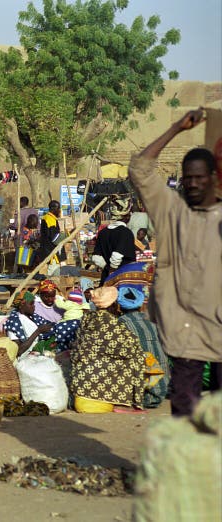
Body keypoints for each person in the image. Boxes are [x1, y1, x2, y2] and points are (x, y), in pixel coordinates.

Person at [127, 108, 221, 416]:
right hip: (184, 330)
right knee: (184, 411)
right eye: (187, 177)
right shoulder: (171, 213)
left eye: (199, 177)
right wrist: (176, 128)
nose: (192, 183)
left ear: (213, 178)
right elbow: (140, 169)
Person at [70, 286, 147, 411]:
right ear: (113, 305)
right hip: (96, 377)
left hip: (81, 379)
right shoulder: (111, 322)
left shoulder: (86, 318)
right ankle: (126, 400)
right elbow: (129, 349)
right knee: (137, 358)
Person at [117, 287, 169, 408]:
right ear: (140, 305)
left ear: (119, 306)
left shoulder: (121, 322)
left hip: (146, 385)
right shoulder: (152, 318)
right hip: (163, 383)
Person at [92, 195, 136, 283]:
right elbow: (117, 255)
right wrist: (112, 271)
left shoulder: (103, 232)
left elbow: (96, 257)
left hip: (106, 279)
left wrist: (106, 267)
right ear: (127, 217)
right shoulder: (125, 232)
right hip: (122, 279)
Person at [33, 279, 81, 352]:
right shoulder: (35, 305)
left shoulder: (60, 303)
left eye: (52, 297)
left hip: (63, 335)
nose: (50, 299)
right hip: (45, 336)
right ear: (40, 295)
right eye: (46, 297)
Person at [4, 291, 55, 356]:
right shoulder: (13, 322)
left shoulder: (34, 317)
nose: (34, 306)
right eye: (31, 304)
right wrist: (38, 331)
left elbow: (49, 325)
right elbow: (18, 351)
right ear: (22, 304)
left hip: (43, 350)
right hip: (28, 357)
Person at [37, 200, 64, 266]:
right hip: (51, 252)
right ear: (54, 209)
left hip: (49, 250)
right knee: (53, 270)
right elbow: (54, 238)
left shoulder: (50, 218)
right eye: (58, 208)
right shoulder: (49, 219)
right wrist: (67, 234)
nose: (59, 210)